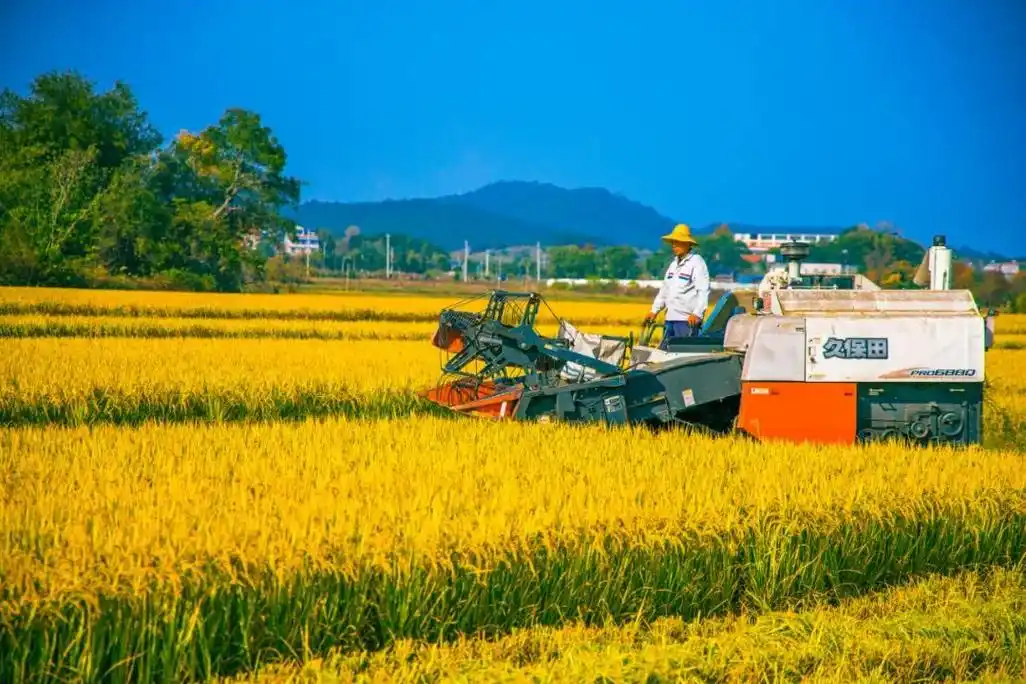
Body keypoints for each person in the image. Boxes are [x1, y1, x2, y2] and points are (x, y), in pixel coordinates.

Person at [644, 224, 710, 349]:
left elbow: (703, 290)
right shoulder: (673, 265)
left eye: (678, 242)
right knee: (664, 352)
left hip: (686, 321)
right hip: (670, 319)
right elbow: (664, 291)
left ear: (687, 244)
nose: (674, 245)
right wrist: (654, 310)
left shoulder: (696, 262)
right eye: (673, 242)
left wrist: (697, 314)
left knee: (681, 354)